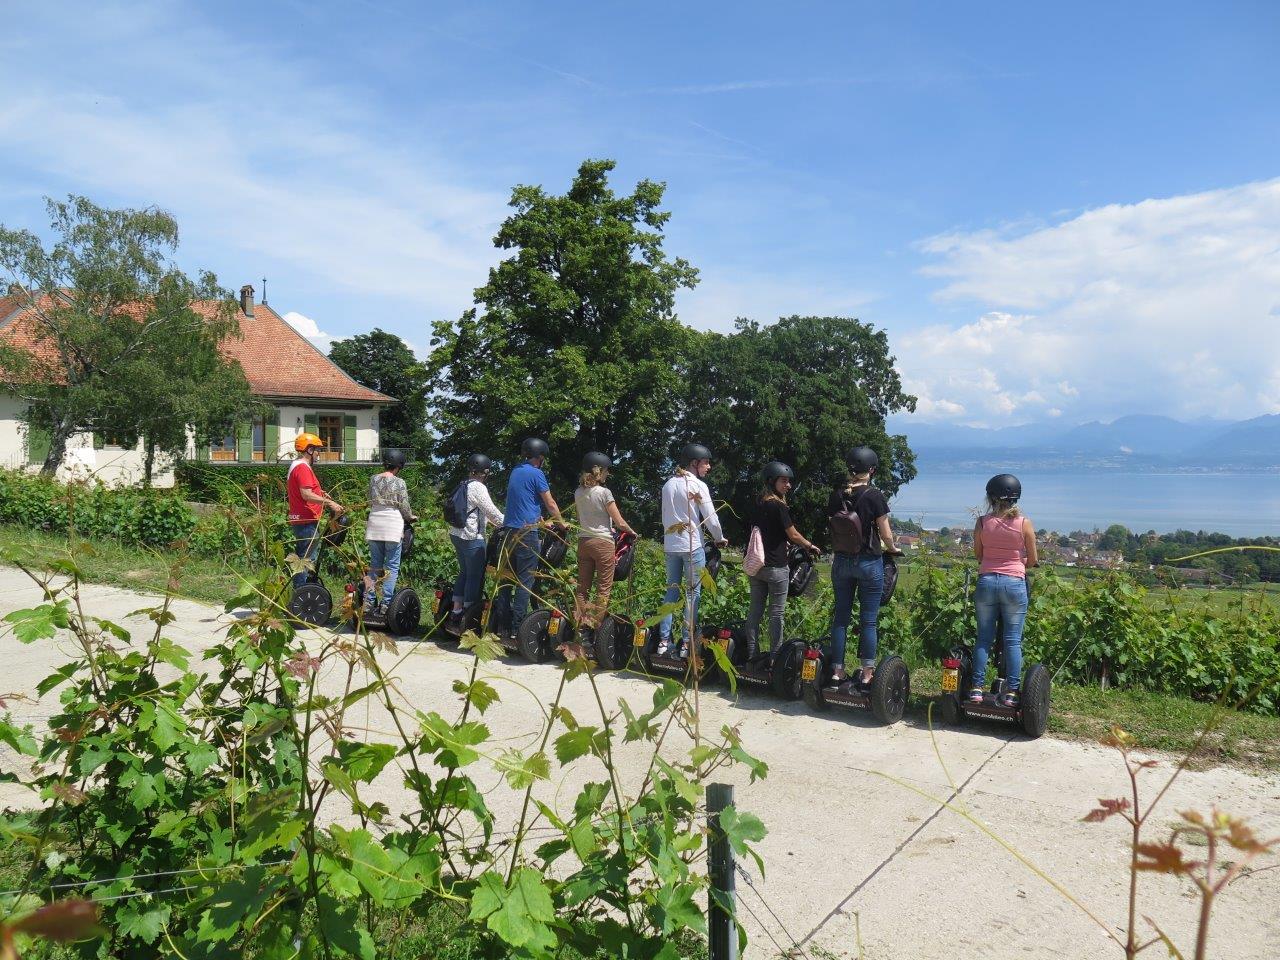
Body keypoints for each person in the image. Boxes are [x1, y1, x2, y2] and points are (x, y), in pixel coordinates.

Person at [826, 446, 900, 688]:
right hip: (869, 561)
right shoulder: (874, 495)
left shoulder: (837, 495)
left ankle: (837, 670)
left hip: (841, 561)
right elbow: (886, 532)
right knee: (868, 620)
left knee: (840, 618)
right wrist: (892, 548)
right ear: (871, 470)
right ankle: (867, 673)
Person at [970, 473, 1038, 708]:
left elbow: (978, 555)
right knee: (1012, 641)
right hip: (1014, 584)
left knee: (983, 639)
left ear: (990, 497)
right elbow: (1032, 560)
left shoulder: (981, 522)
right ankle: (1011, 692)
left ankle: (977, 689)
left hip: (987, 581)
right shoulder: (1024, 523)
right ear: (1016, 498)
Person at [490, 437, 565, 637]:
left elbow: (523, 500)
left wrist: (537, 517)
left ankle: (501, 627)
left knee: (506, 581)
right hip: (526, 535)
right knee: (525, 581)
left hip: (508, 533)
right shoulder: (537, 473)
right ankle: (518, 628)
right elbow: (550, 503)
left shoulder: (515, 471)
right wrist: (561, 524)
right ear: (539, 457)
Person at [658, 442, 728, 656]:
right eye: (706, 463)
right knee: (692, 594)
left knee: (670, 592)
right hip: (692, 546)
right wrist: (719, 537)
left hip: (671, 545)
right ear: (694, 463)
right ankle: (687, 643)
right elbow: (710, 517)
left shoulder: (668, 484)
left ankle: (663, 642)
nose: (709, 467)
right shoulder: (697, 485)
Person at [745, 462, 820, 659]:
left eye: (789, 482)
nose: (789, 486)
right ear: (772, 481)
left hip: (757, 567)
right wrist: (810, 545)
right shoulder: (778, 506)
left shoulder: (758, 504)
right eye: (784, 481)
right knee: (776, 614)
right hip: (776, 567)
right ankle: (775, 656)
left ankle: (752, 654)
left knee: (755, 612)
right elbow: (793, 535)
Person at [573, 452, 638, 647]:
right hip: (602, 543)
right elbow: (618, 521)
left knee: (582, 588)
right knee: (603, 589)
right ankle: (594, 629)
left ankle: (579, 629)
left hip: (583, 542)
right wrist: (633, 533)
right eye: (607, 470)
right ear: (599, 471)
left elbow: (580, 518)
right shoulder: (604, 492)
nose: (608, 474)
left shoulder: (578, 492)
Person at [446, 453, 504, 628]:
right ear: (485, 472)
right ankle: (469, 612)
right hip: (472, 537)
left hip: (456, 534)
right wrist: (509, 523)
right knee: (474, 576)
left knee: (464, 572)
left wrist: (491, 522)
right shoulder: (478, 487)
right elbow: (491, 511)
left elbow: (476, 511)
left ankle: (456, 610)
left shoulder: (463, 484)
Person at [362, 448, 418, 613]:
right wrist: (410, 517)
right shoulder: (400, 482)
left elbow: (369, 499)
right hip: (392, 525)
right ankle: (386, 604)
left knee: (374, 566)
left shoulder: (373, 479)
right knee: (392, 566)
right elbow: (404, 506)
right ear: (399, 465)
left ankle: (368, 602)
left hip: (374, 524)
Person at [287, 432, 344, 589]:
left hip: (301, 518)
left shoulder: (296, 466)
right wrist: (329, 503)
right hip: (306, 520)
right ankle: (301, 595)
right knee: (305, 560)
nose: (319, 453)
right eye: (318, 450)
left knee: (303, 557)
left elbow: (305, 491)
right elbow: (306, 494)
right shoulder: (303, 468)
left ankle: (301, 594)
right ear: (309, 450)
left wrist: (320, 493)